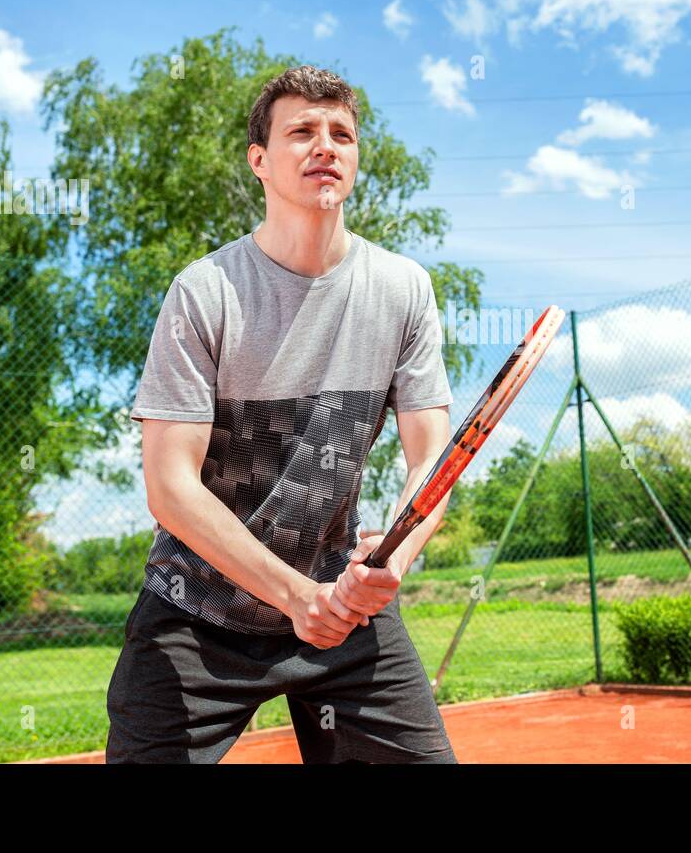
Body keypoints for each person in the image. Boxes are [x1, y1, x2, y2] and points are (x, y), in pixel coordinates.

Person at [105, 64, 458, 764]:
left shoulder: (404, 290)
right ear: (259, 161)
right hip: (197, 614)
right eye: (301, 131)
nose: (325, 145)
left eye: (341, 133)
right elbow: (169, 487)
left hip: (343, 613)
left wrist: (390, 563)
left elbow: (432, 462)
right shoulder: (205, 292)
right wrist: (297, 597)